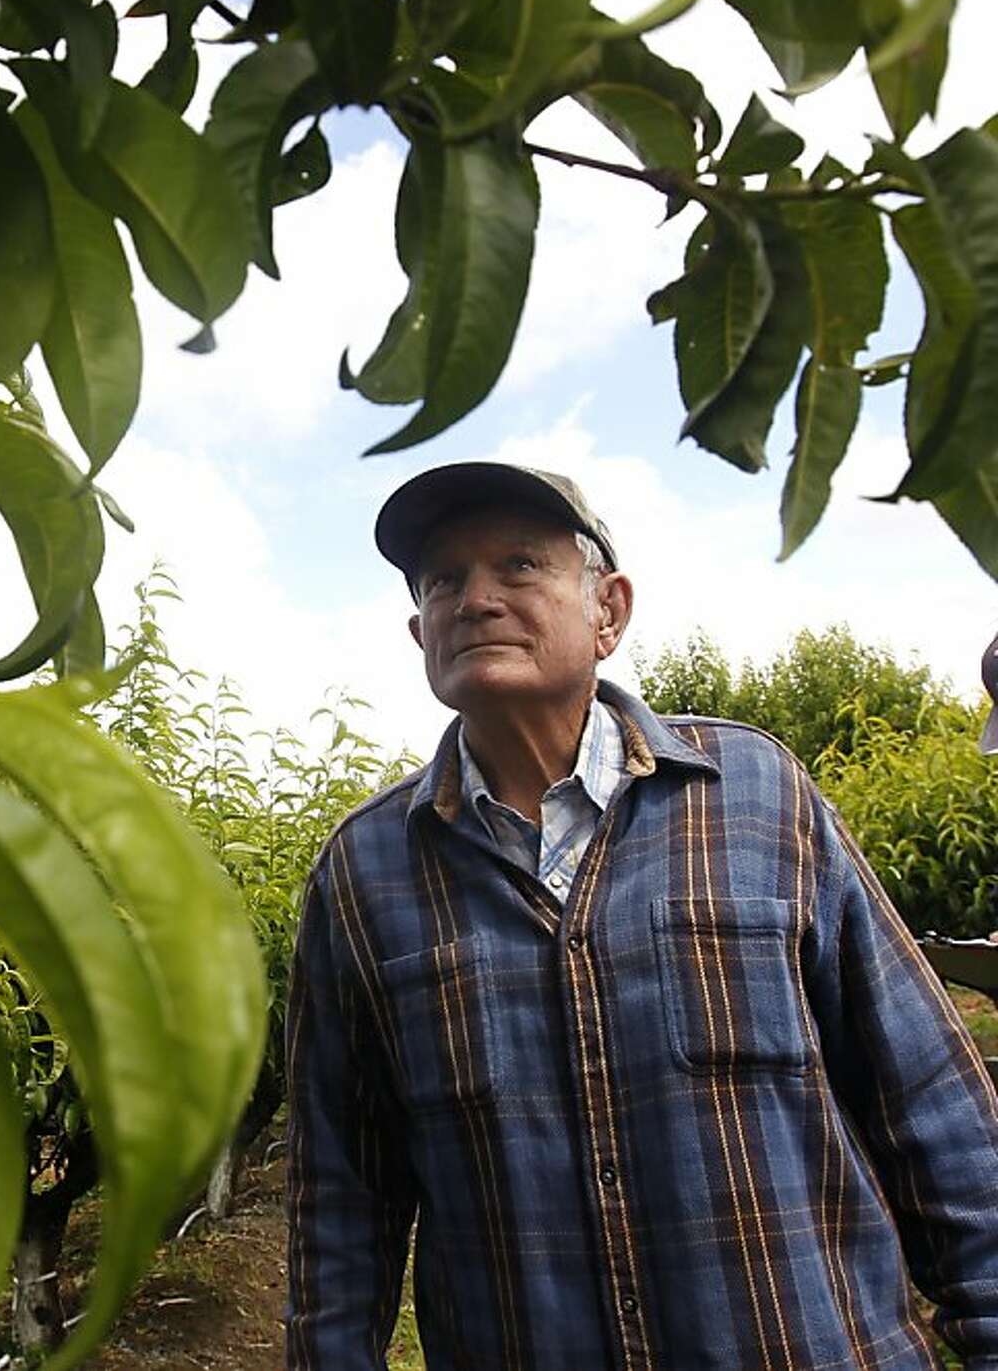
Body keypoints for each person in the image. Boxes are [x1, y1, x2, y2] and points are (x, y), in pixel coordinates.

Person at [284, 461, 998, 1370]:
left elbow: (932, 1103)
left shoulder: (756, 794)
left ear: (609, 611)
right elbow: (341, 1197)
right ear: (420, 629)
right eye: (443, 580)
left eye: (518, 566)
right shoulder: (366, 870)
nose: (476, 599)